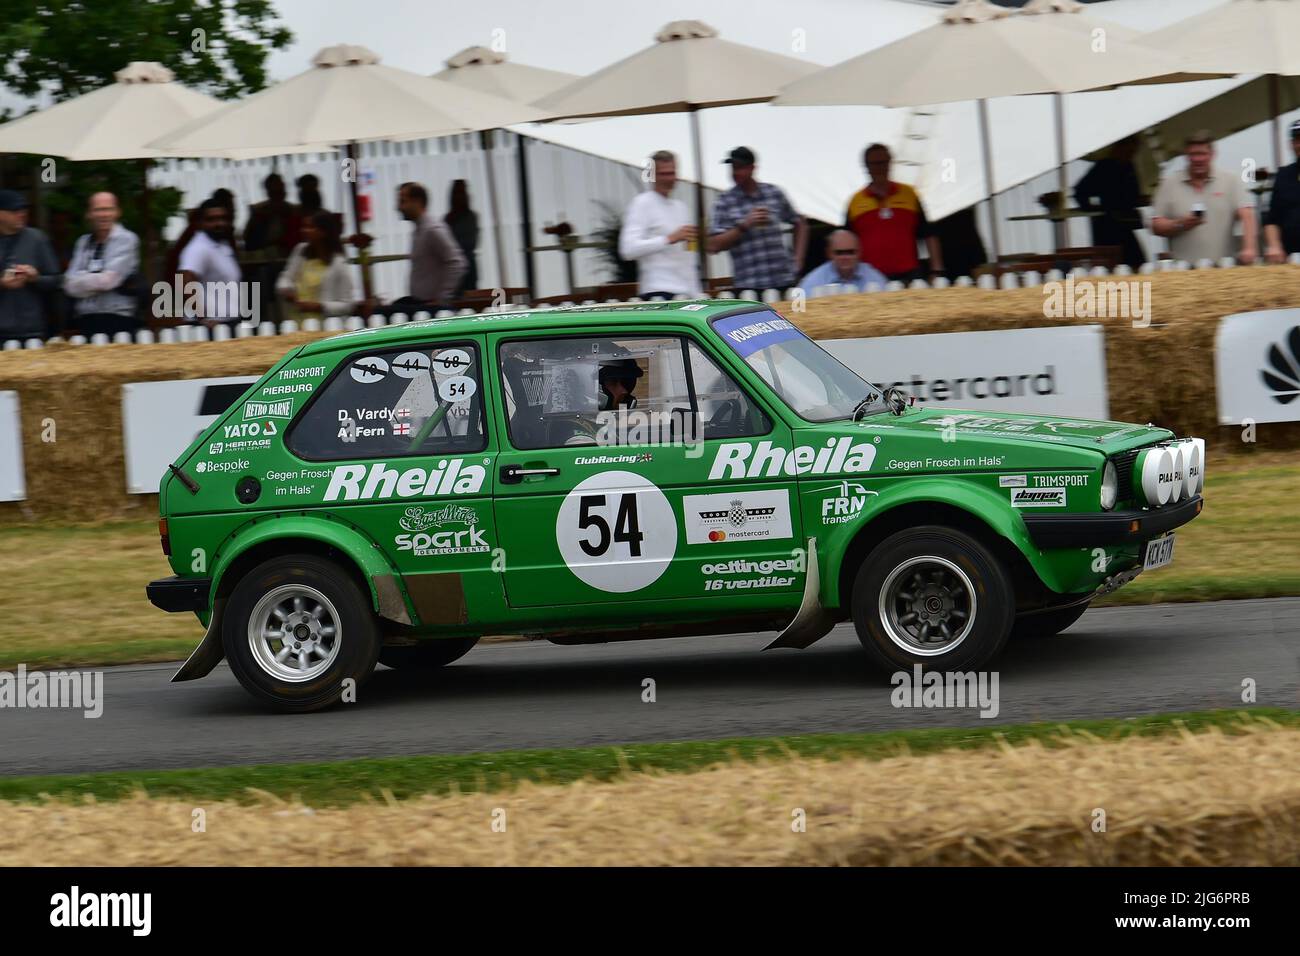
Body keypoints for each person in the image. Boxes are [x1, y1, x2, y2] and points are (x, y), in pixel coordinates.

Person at [707, 146, 806, 292]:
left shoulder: (773, 193)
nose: (735, 172)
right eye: (733, 168)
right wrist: (744, 225)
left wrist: (798, 260)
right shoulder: (724, 201)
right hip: (748, 285)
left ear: (753, 168)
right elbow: (712, 245)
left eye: (740, 167)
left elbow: (800, 222)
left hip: (783, 280)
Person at [1151, 131, 1257, 264]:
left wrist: (1249, 248)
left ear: (1212, 155)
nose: (1197, 159)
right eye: (1193, 154)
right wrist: (1180, 224)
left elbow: (1247, 214)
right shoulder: (1168, 183)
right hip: (1182, 273)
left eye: (1202, 154)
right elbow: (1155, 226)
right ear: (1186, 156)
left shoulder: (1231, 180)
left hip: (1224, 269)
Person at [845, 143, 943, 283]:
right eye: (874, 164)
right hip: (871, 278)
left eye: (883, 162)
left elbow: (929, 233)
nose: (879, 168)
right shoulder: (855, 202)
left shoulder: (909, 194)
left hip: (910, 275)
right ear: (866, 167)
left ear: (890, 164)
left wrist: (936, 270)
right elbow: (846, 245)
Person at [619, 150, 701, 299]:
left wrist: (696, 292)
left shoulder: (681, 208)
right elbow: (628, 249)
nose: (669, 178)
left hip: (684, 293)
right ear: (653, 176)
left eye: (672, 173)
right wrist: (668, 239)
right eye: (664, 174)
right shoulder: (642, 203)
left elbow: (689, 255)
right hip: (657, 291)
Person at [62, 191, 141, 336]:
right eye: (98, 210)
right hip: (86, 319)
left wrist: (81, 278)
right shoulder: (83, 242)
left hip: (118, 319)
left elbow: (108, 281)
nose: (104, 215)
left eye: (108, 209)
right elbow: (68, 284)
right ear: (89, 214)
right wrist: (97, 278)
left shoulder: (127, 239)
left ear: (117, 212)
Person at [1074, 135, 1148, 269]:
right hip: (1106, 228)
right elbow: (1080, 192)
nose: (1131, 155)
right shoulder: (1104, 166)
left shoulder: (1129, 166)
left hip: (1124, 225)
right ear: (1120, 148)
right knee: (1116, 264)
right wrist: (1095, 210)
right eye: (1130, 151)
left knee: (1137, 263)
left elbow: (1133, 194)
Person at [395, 181, 467, 312]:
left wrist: (442, 298)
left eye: (403, 201)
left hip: (431, 307)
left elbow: (457, 262)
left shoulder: (432, 230)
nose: (399, 207)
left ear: (417, 201)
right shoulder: (420, 230)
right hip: (422, 304)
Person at [0, 189, 61, 341]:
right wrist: (2, 283)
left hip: (33, 331)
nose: (22, 214)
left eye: (23, 209)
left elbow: (56, 281)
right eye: (15, 210)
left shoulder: (37, 239)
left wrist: (35, 278)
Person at [276, 210, 356, 321]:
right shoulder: (300, 251)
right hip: (296, 321)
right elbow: (286, 277)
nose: (304, 230)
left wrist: (320, 307)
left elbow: (348, 305)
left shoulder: (338, 263)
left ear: (323, 232)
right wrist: (287, 290)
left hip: (324, 325)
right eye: (304, 226)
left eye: (310, 227)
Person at [177, 198, 244, 326]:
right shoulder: (198, 248)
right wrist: (203, 317)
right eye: (211, 219)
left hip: (227, 322)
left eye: (223, 218)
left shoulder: (222, 244)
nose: (219, 223)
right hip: (211, 326)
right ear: (200, 223)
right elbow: (185, 281)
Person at [796, 230, 887, 295]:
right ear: (829, 254)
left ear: (859, 252)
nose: (845, 257)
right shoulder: (813, 281)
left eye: (850, 252)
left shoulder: (873, 276)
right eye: (839, 253)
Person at [1264, 119, 1300, 263]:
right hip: (1290, 262)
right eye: (1297, 140)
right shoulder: (1283, 175)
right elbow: (1272, 220)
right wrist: (1274, 246)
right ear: (1291, 144)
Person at [444, 179, 479, 296]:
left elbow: (471, 243)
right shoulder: (448, 219)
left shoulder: (471, 217)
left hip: (465, 266)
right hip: (457, 266)